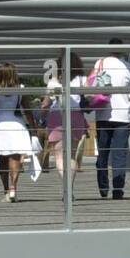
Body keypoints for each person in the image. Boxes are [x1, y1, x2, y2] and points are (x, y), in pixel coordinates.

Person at [0, 62, 40, 203]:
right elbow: (27, 111)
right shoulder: (20, 90)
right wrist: (34, 129)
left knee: (3, 160)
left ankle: (5, 189)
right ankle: (13, 189)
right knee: (15, 158)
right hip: (16, 125)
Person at [39, 51, 89, 202]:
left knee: (59, 156)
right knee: (72, 155)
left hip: (56, 116)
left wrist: (41, 115)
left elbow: (46, 104)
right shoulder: (82, 79)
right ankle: (69, 190)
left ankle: (66, 189)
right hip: (75, 115)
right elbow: (89, 96)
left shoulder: (54, 81)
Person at [91, 40, 130, 199]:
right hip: (123, 116)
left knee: (103, 153)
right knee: (119, 155)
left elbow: (93, 85)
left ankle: (103, 187)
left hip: (103, 115)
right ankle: (118, 190)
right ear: (122, 50)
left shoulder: (100, 63)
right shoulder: (128, 66)